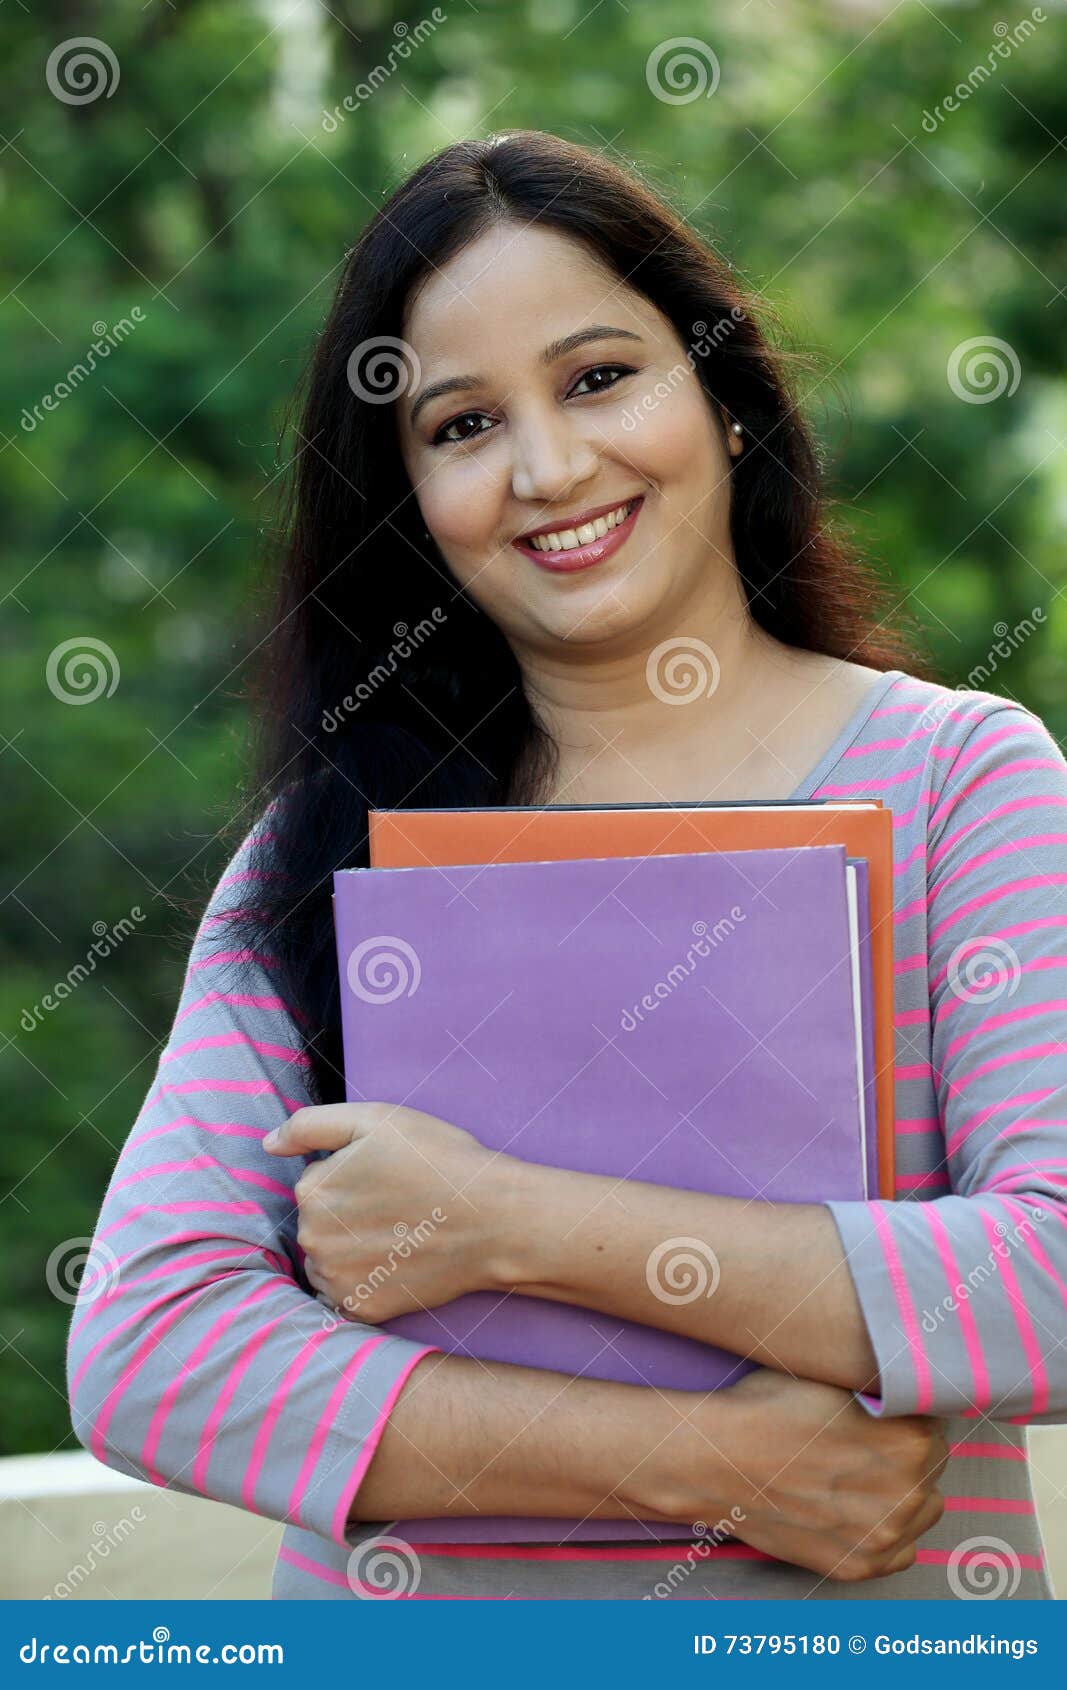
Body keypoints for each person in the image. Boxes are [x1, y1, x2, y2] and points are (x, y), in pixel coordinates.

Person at [67, 130, 1067, 1601]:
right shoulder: (331, 837)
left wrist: (506, 1223)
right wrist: (709, 1464)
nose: (548, 466)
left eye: (600, 378)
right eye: (462, 426)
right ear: (410, 499)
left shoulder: (961, 781)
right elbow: (152, 1344)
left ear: (724, 397)